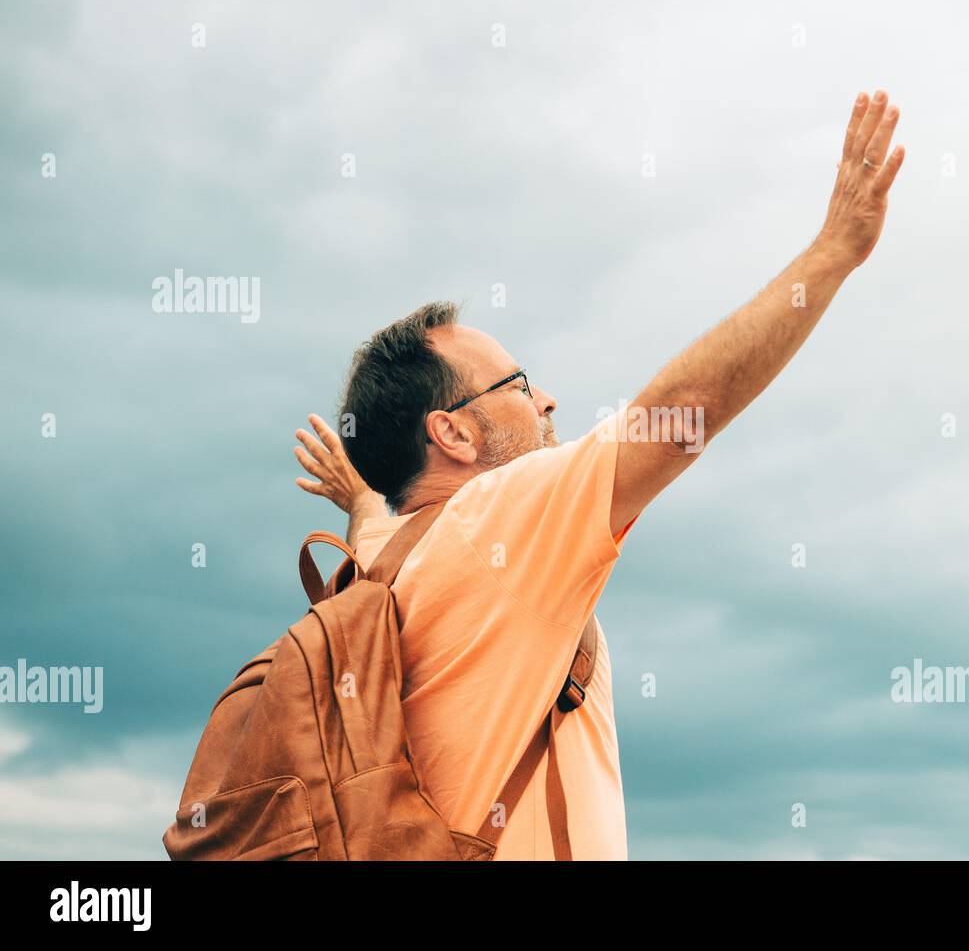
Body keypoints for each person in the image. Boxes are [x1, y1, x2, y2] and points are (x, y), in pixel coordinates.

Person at [291, 90, 905, 859]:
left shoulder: (385, 575)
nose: (545, 398)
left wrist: (357, 495)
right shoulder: (492, 522)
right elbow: (674, 418)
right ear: (450, 433)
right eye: (516, 386)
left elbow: (379, 521)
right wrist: (834, 251)